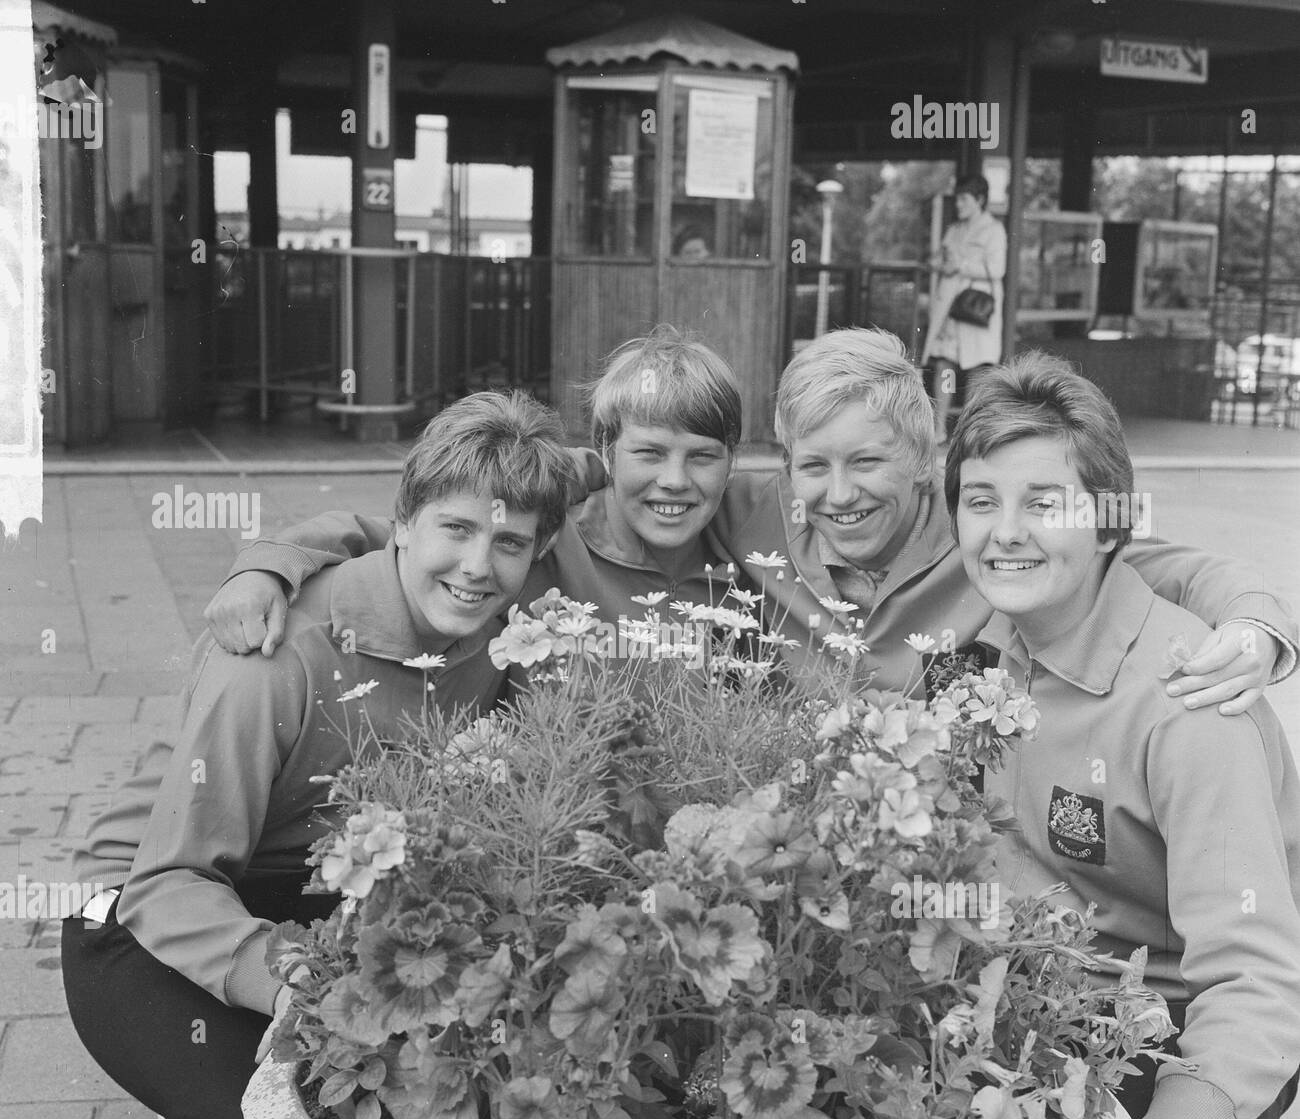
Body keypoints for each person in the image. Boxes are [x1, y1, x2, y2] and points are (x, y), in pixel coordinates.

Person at [65, 391, 577, 1119]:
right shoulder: (278, 653)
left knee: (422, 1117)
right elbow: (169, 877)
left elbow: (589, 473)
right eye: (456, 529)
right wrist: (294, 982)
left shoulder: (503, 630)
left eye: (509, 543)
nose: (479, 565)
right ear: (401, 523)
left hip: (329, 896)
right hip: (151, 908)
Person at [204, 328, 1296, 720]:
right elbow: (449, 503)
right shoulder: (734, 503)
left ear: (922, 459)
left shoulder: (984, 536)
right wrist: (269, 561)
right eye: (812, 463)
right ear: (780, 462)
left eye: (868, 461)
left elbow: (1151, 551)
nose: (840, 492)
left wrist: (1260, 629)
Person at [945, 352, 1300, 1119]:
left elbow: (1256, 973)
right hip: (1041, 1016)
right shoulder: (979, 657)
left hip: (1179, 1036)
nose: (1005, 533)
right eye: (980, 500)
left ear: (1108, 523)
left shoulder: (1190, 702)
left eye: (1043, 503)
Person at [207, 325, 750, 660]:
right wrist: (266, 566)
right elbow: (394, 533)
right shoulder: (550, 516)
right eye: (649, 453)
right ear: (607, 450)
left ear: (732, 460)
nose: (675, 480)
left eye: (702, 456)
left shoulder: (744, 542)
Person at [921, 174, 1007, 443]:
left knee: (977, 368)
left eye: (963, 199)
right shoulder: (954, 230)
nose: (958, 204)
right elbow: (940, 259)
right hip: (950, 309)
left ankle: (968, 432)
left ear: (979, 200)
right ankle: (939, 428)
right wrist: (940, 263)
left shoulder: (994, 230)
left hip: (974, 309)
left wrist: (962, 267)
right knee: (945, 365)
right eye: (957, 198)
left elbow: (997, 269)